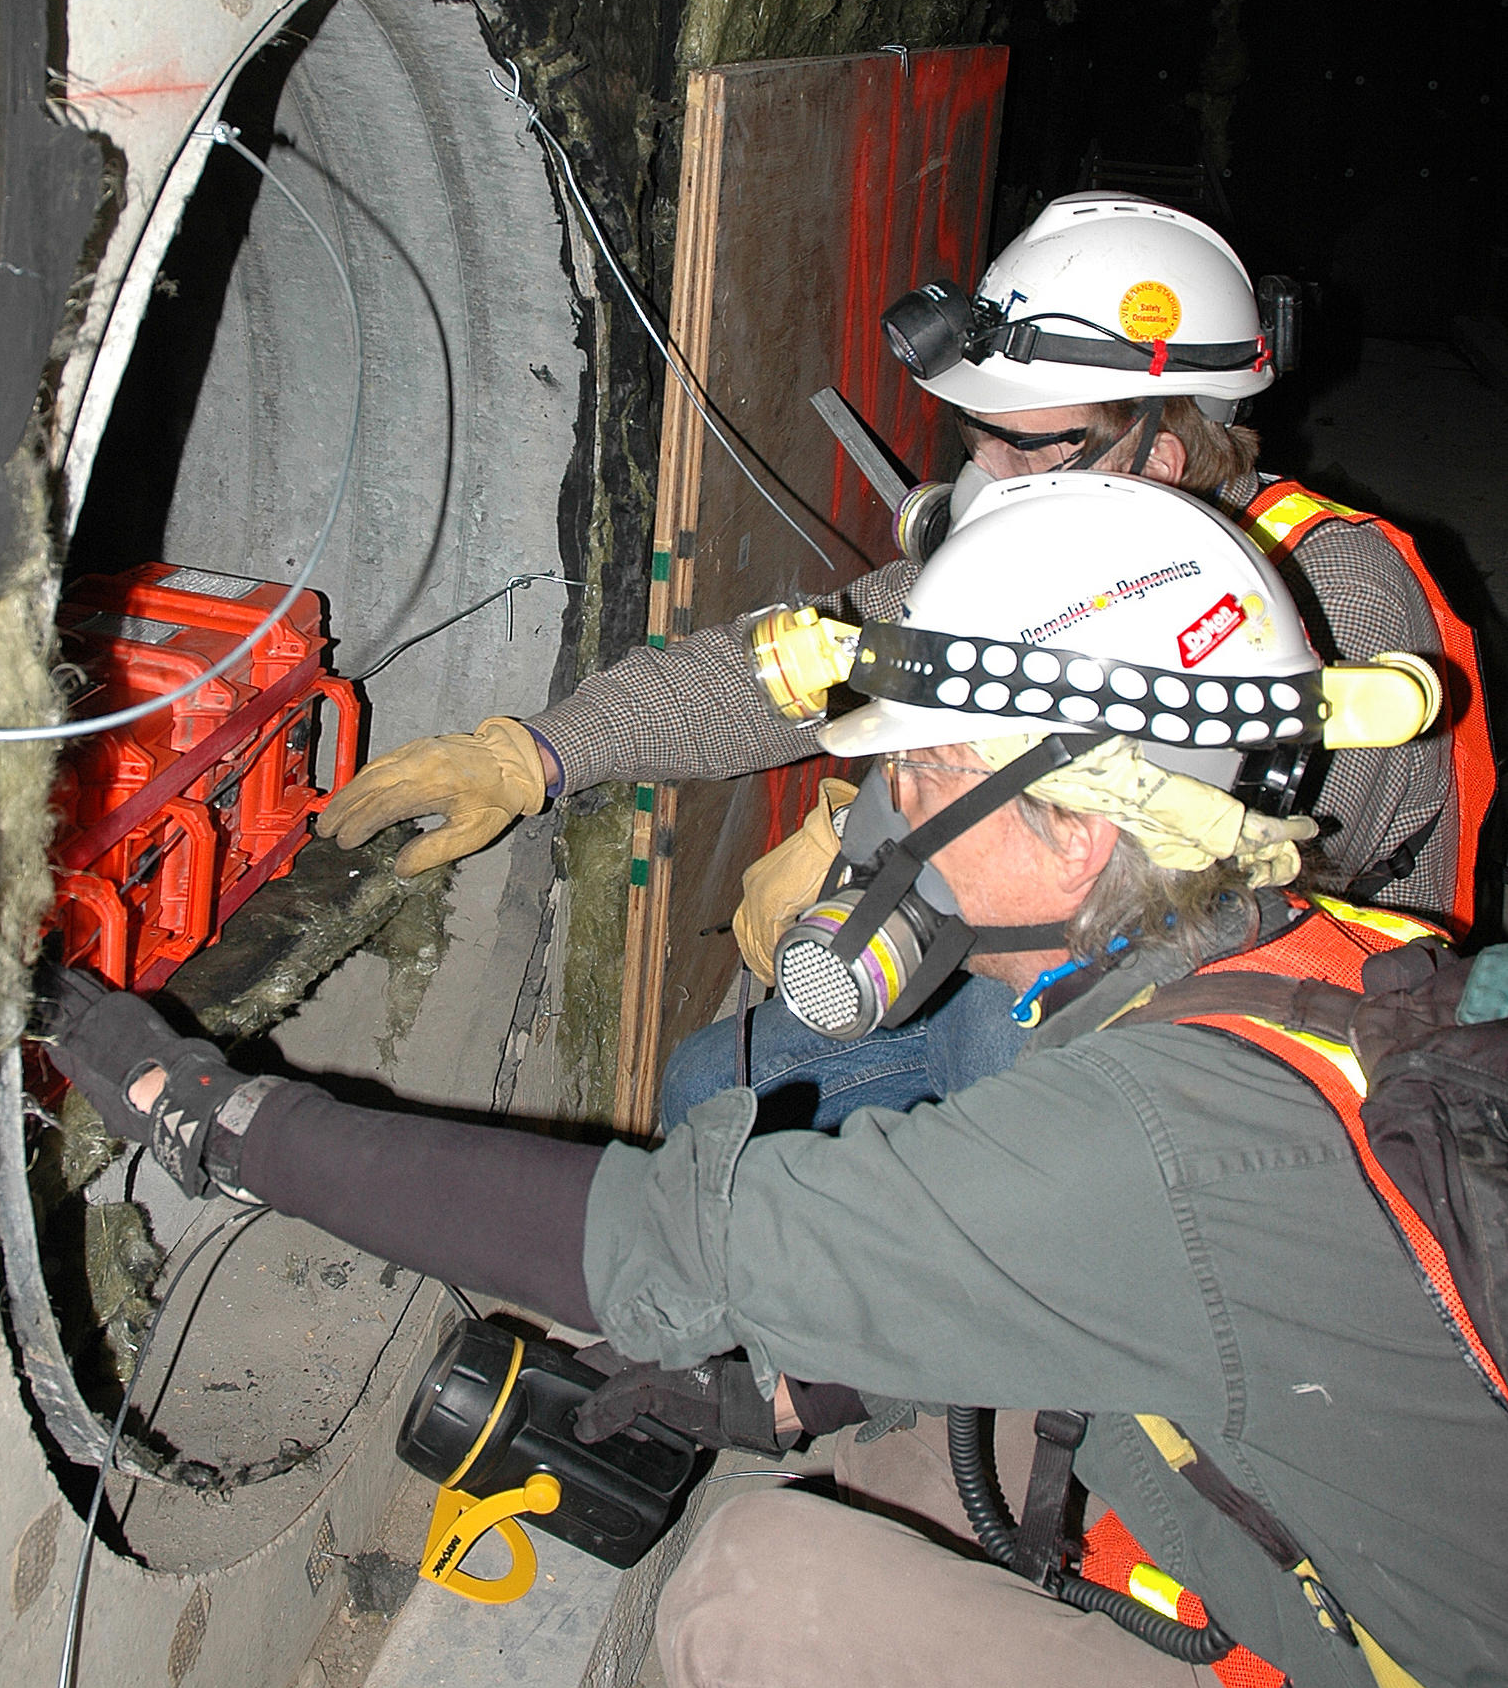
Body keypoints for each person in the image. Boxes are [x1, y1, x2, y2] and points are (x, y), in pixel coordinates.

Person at [41, 475, 1505, 1688]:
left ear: (1084, 828)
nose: (881, 822)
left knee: (760, 1607)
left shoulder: (1158, 1137)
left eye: (922, 774)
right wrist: (778, 1398)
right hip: (1387, 1575)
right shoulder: (1298, 969)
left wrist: (208, 1112)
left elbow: (667, 1241)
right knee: (891, 1457)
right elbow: (1104, 1287)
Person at [316, 193, 1487, 1135]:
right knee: (710, 1100)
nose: (983, 479)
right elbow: (792, 664)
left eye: (1024, 446)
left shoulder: (1332, 604)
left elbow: (1194, 871)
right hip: (994, 933)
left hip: (1210, 1021)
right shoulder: (1052, 538)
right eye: (974, 436)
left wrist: (878, 824)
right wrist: (540, 753)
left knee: (945, 1204)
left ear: (1162, 451)